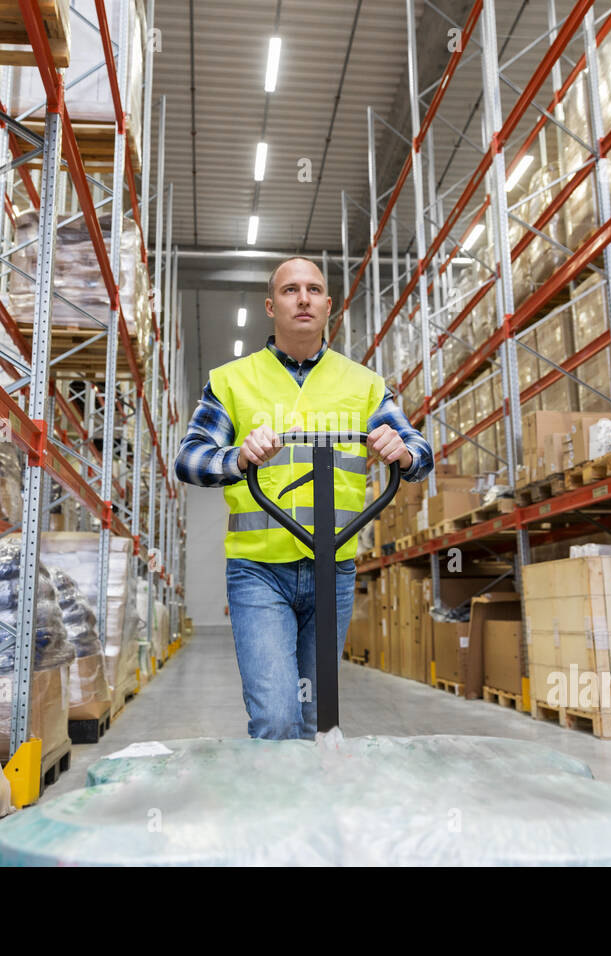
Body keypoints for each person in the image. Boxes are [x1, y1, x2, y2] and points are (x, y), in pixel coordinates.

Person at [174, 256, 432, 739]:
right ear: (271, 307)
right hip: (258, 572)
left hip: (332, 567)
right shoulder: (231, 381)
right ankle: (276, 811)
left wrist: (403, 450)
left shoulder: (365, 384)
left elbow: (421, 452)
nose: (304, 298)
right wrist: (237, 457)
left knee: (320, 716)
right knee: (277, 716)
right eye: (291, 290)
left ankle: (315, 811)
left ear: (328, 305)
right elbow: (189, 460)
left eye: (313, 289)